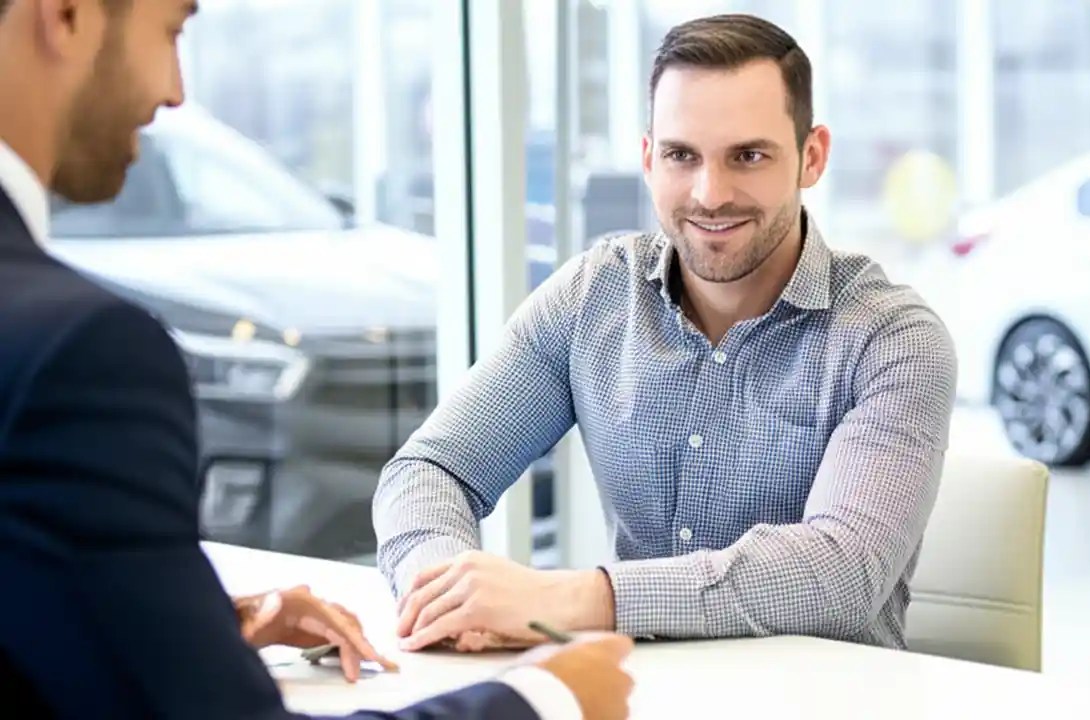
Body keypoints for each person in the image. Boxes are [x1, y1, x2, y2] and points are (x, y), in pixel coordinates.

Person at [0, 1, 633, 718]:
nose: (175, 90)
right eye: (172, 30)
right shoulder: (78, 349)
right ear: (67, 14)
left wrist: (191, 627)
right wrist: (544, 698)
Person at [377, 13, 958, 654]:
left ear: (811, 156)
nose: (710, 194)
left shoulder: (893, 340)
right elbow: (430, 469)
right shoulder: (594, 296)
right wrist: (443, 596)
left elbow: (841, 572)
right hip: (636, 688)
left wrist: (569, 599)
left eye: (749, 156)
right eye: (682, 156)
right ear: (649, 158)